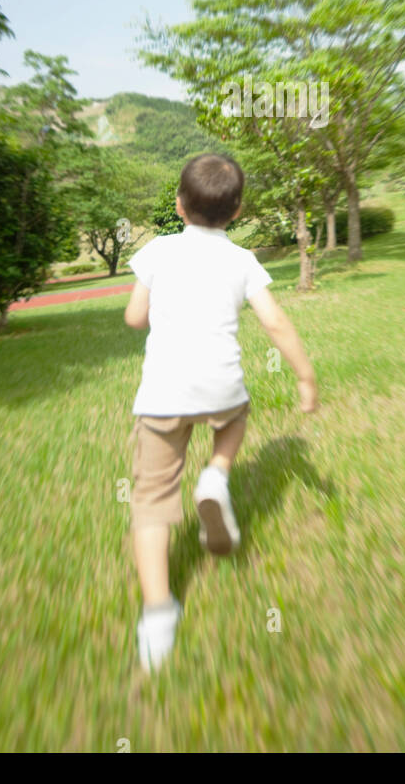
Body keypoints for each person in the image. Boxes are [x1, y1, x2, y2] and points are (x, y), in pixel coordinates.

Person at [124, 152, 319, 672]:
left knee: (151, 499)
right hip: (222, 388)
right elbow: (276, 323)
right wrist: (304, 375)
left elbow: (134, 317)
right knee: (235, 418)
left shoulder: (157, 251)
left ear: (180, 206)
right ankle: (216, 472)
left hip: (163, 396)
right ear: (236, 211)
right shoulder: (242, 260)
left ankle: (158, 612)